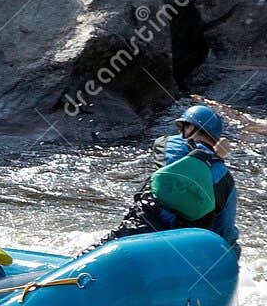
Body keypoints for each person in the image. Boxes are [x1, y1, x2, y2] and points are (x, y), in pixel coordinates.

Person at [100, 104, 240, 251]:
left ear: (191, 128)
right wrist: (216, 156)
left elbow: (172, 157)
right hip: (186, 245)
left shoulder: (168, 143)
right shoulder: (226, 179)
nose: (180, 133)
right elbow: (226, 232)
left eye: (183, 127)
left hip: (144, 227)